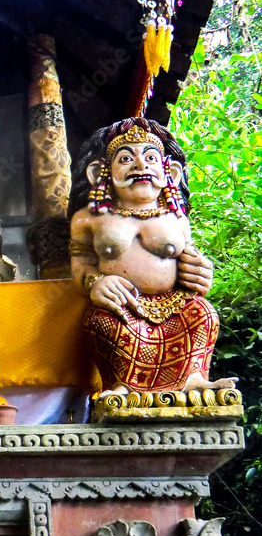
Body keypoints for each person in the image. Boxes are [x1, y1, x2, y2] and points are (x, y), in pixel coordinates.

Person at [68, 117, 236, 396]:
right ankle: (123, 385)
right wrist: (95, 282)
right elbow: (80, 266)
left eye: (150, 157)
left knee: (203, 313)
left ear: (171, 173)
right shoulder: (87, 220)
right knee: (100, 321)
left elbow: (191, 260)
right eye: (125, 158)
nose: (140, 166)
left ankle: (193, 379)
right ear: (100, 173)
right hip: (123, 308)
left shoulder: (177, 218)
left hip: (176, 306)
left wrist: (202, 272)